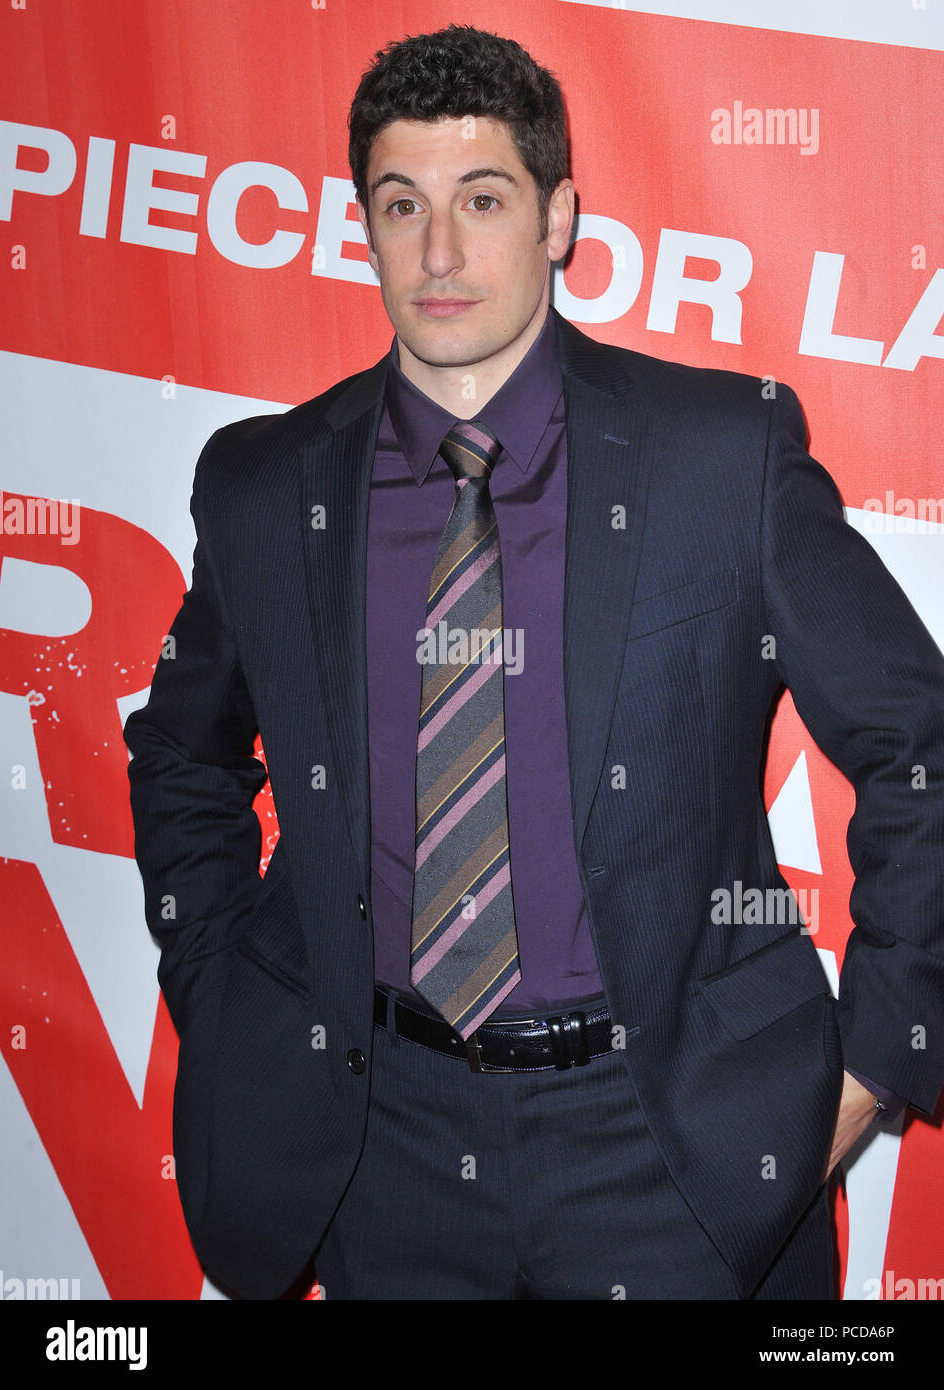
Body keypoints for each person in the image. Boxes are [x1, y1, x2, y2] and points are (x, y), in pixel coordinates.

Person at [123, 24, 944, 1301]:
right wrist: (220, 984)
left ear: (559, 216)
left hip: (667, 1147)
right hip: (375, 1144)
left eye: (484, 199)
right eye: (403, 205)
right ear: (365, 224)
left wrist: (868, 1071)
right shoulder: (266, 485)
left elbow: (921, 750)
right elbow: (181, 750)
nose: (439, 253)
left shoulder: (725, 458)